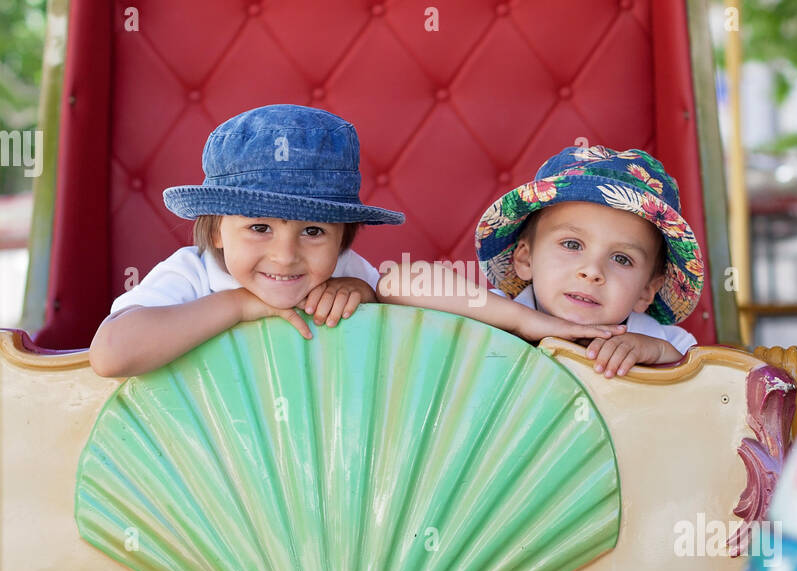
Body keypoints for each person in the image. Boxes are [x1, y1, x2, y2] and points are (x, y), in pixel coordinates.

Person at [89, 104, 404, 378]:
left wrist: (364, 294)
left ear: (341, 240)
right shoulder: (190, 274)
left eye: (312, 232)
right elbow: (110, 355)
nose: (284, 256)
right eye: (259, 227)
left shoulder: (344, 269)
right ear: (216, 231)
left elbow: (406, 336)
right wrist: (237, 304)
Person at [378, 145, 703, 376]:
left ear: (648, 289)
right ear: (525, 258)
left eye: (621, 258)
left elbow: (711, 396)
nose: (591, 271)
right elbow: (396, 283)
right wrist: (522, 321)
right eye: (572, 243)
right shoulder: (496, 313)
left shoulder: (666, 343)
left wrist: (662, 358)